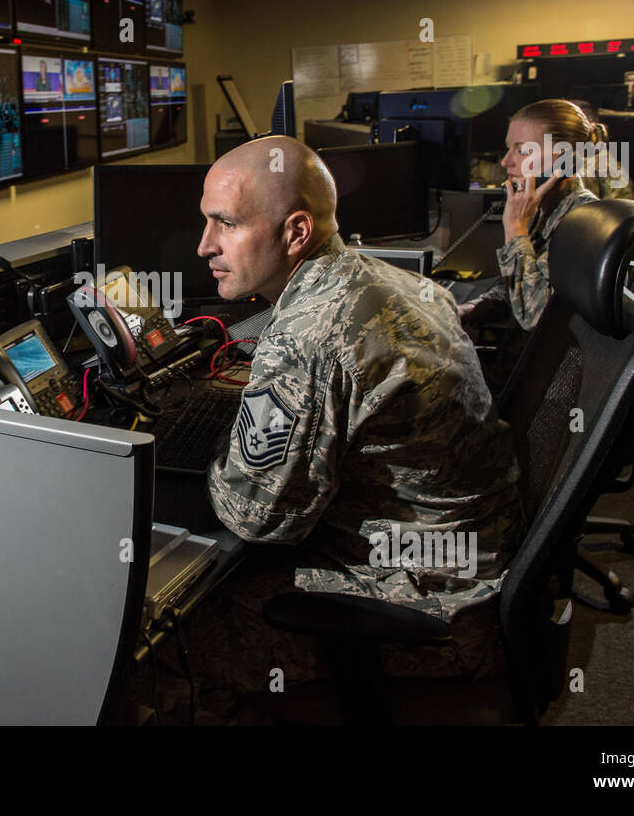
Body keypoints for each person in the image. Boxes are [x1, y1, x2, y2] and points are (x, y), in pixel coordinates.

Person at [132, 136, 524, 723]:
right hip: (475, 556)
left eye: (226, 223)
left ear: (295, 233)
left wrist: (219, 431)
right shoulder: (396, 282)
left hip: (431, 604)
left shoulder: (307, 337)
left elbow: (255, 516)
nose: (204, 245)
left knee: (156, 644)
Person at [458, 99, 601, 334]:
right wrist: (467, 310)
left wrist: (515, 228)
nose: (506, 161)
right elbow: (513, 289)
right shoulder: (544, 206)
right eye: (508, 148)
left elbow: (535, 317)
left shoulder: (585, 224)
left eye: (522, 150)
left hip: (537, 361)